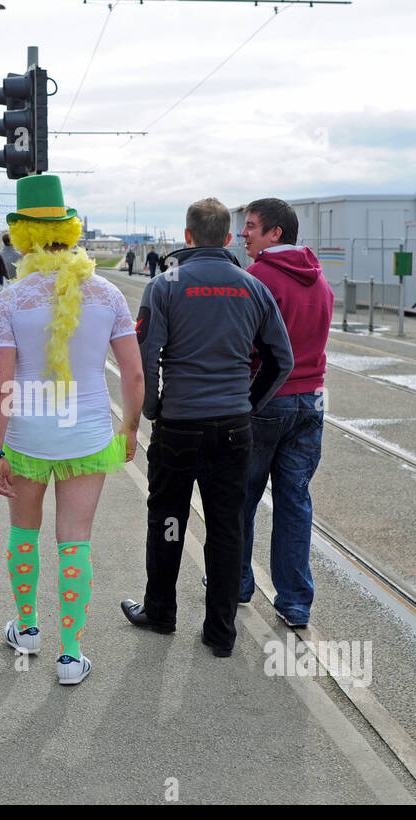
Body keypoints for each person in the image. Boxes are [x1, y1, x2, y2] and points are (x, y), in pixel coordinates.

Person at [0, 174, 144, 686]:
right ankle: (71, 655)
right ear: (71, 230)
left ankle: (28, 629)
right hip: (90, 433)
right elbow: (136, 375)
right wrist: (130, 428)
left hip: (28, 435)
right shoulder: (108, 294)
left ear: (23, 237)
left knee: (23, 530)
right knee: (75, 540)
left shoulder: (10, 301)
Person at [124, 197, 294, 658]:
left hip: (179, 428)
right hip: (233, 429)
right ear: (225, 239)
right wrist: (248, 403)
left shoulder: (165, 285)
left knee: (169, 519)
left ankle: (160, 611)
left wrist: (156, 408)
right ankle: (220, 632)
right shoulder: (251, 287)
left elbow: (145, 357)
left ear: (187, 237)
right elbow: (283, 359)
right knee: (225, 527)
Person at [238, 198, 333, 629]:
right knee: (295, 502)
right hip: (311, 401)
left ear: (275, 233)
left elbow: (247, 347)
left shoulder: (257, 277)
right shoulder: (321, 281)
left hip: (266, 401)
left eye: (252, 227)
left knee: (242, 498)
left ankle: (238, 581)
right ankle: (295, 602)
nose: (245, 234)